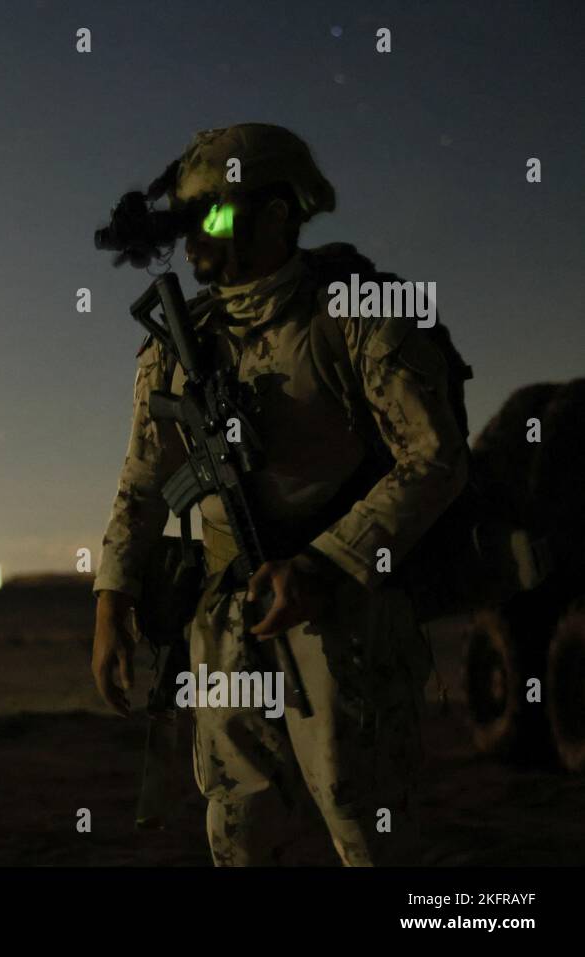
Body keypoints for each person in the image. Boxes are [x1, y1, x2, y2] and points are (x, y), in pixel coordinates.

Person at [91, 124, 468, 865]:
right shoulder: (178, 341)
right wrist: (113, 596)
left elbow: (434, 458)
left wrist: (323, 565)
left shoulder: (353, 314)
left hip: (342, 619)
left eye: (221, 216)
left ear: (277, 216)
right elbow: (143, 480)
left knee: (365, 821)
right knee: (240, 827)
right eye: (191, 219)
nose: (201, 236)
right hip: (227, 616)